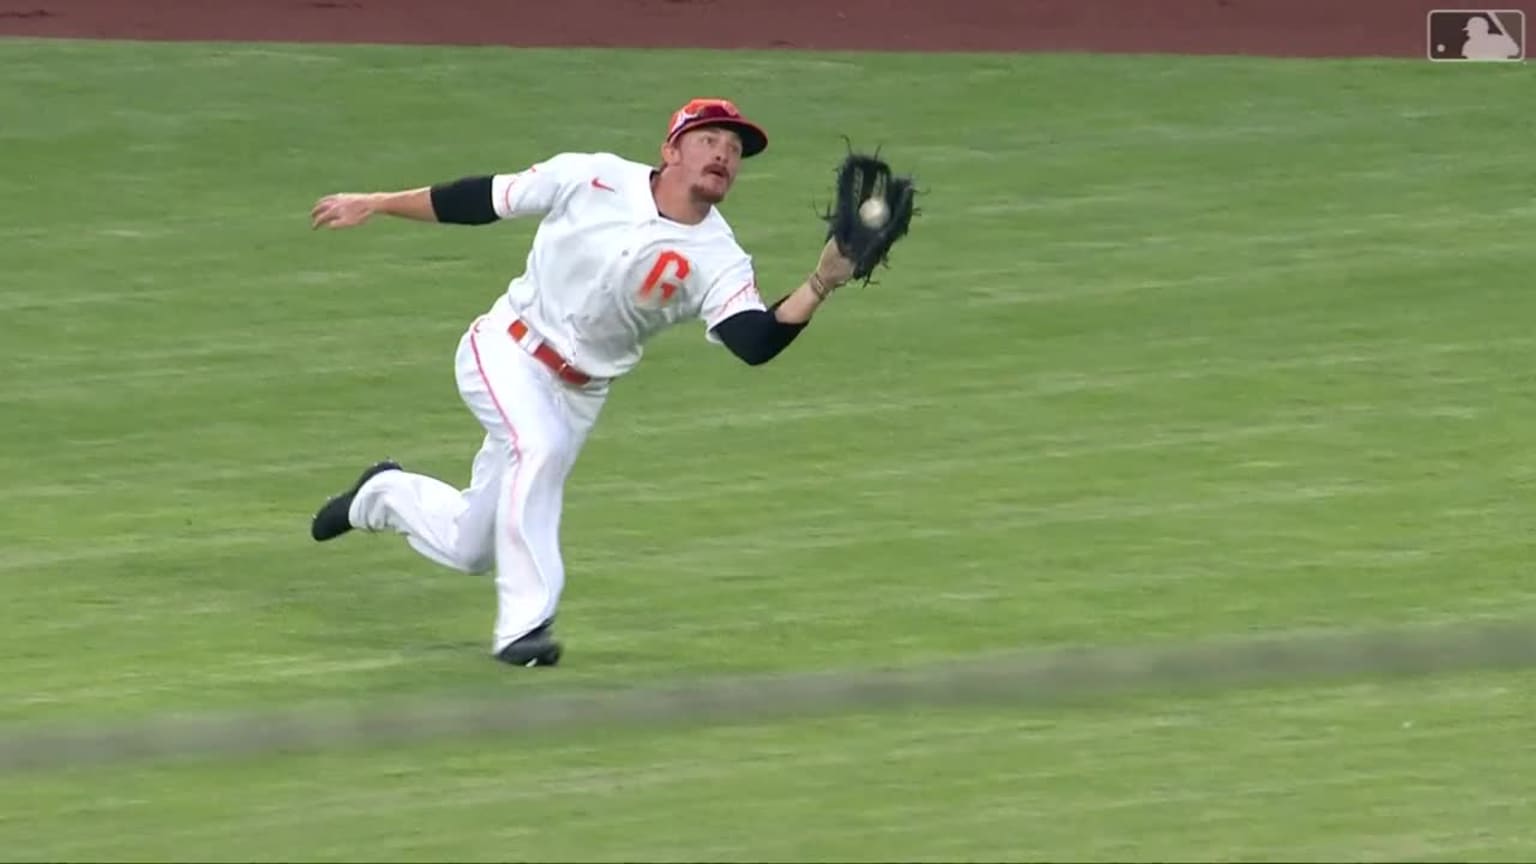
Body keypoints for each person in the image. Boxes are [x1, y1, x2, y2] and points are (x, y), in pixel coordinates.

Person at [306, 98, 857, 667]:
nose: (724, 154)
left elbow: (754, 341)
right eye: (709, 140)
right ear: (670, 151)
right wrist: (376, 203)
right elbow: (480, 199)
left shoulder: (721, 258)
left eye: (735, 149)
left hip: (579, 395)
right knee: (536, 449)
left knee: (470, 547)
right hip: (506, 348)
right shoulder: (590, 176)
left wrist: (821, 282)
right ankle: (524, 627)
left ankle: (380, 495)